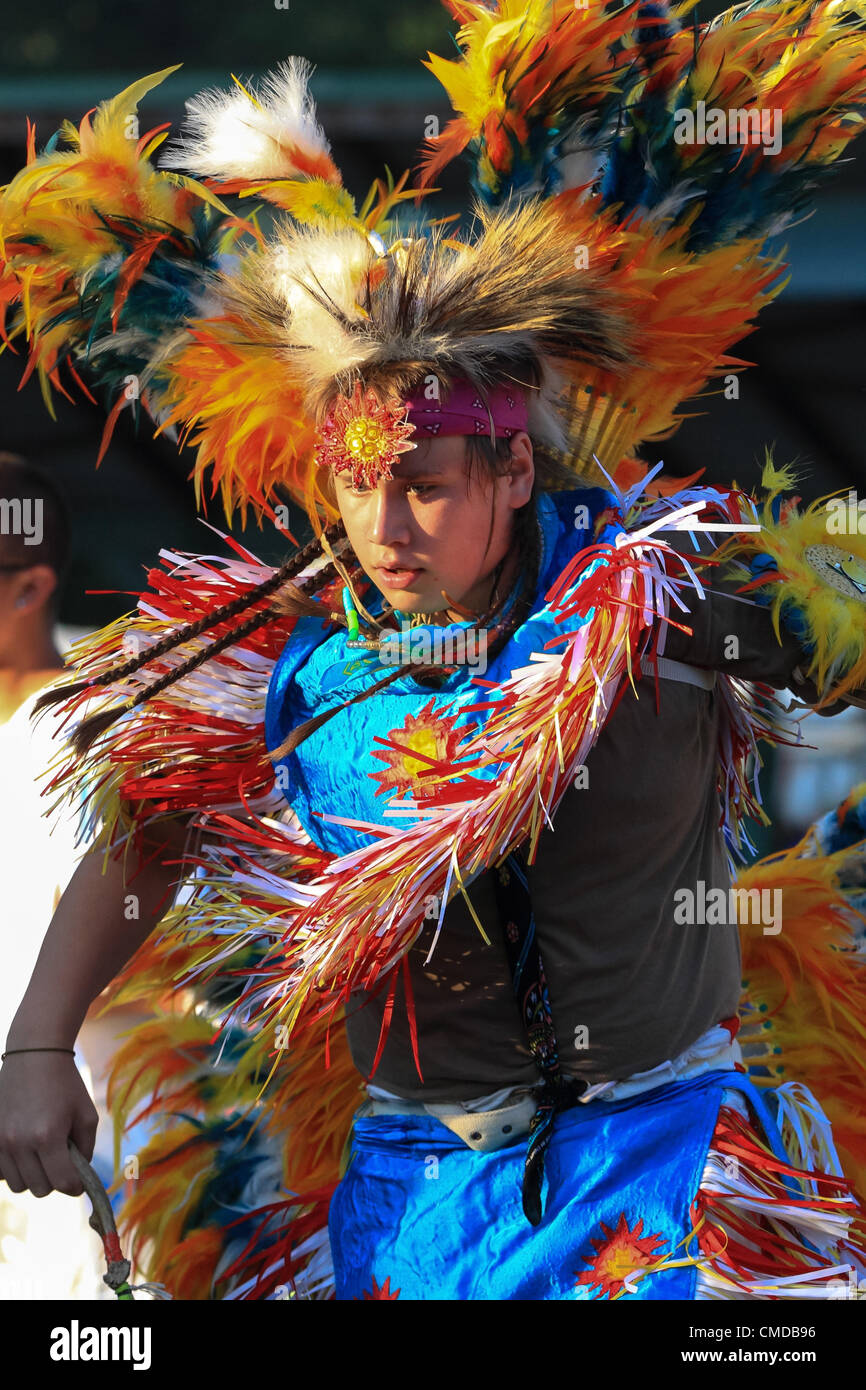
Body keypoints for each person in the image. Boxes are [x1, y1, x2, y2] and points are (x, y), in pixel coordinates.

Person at [1, 2, 865, 1301]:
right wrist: (36, 1045)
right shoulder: (282, 664)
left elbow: (825, 644)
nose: (385, 524)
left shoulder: (671, 598)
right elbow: (150, 836)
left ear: (512, 467)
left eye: (423, 483)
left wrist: (813, 608)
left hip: (665, 1172)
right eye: (357, 487)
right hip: (415, 1192)